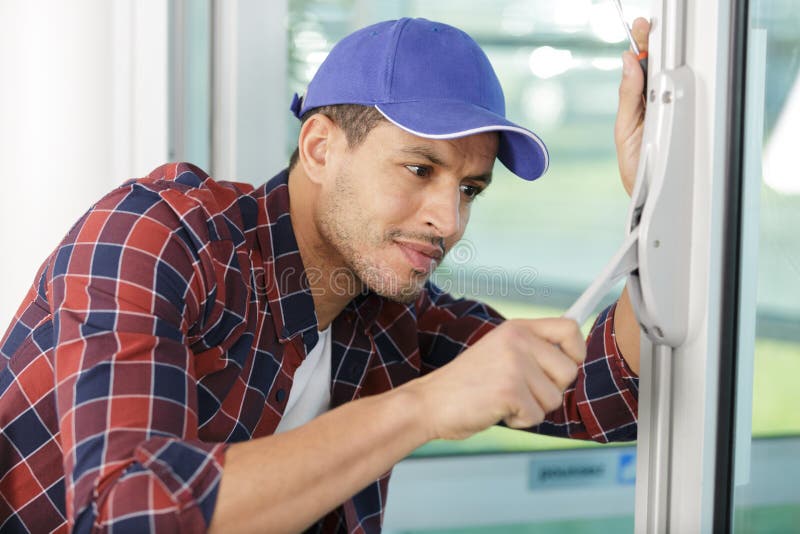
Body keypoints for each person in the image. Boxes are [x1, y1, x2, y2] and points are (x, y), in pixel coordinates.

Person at [0, 16, 650, 534]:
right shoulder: (158, 237)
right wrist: (423, 406)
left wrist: (654, 195)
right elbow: (129, 510)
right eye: (420, 170)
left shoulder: (394, 313)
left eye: (471, 189)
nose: (449, 221)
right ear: (320, 147)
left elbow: (603, 393)